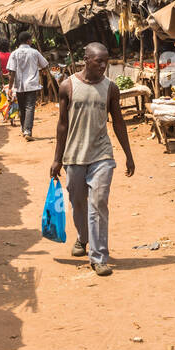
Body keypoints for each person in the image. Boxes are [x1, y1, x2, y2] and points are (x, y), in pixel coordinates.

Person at [50, 42, 136, 276]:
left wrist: (128, 154)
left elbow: (118, 121)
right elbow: (62, 124)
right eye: (99, 61)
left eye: (106, 61)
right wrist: (57, 159)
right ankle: (82, 237)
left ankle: (98, 257)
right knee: (78, 202)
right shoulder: (67, 86)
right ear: (86, 60)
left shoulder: (111, 88)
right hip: (74, 155)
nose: (104, 66)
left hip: (102, 155)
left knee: (98, 204)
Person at [7, 31, 49, 141]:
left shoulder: (14, 54)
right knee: (30, 107)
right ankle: (27, 130)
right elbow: (45, 64)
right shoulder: (34, 52)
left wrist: (10, 87)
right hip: (32, 84)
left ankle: (23, 128)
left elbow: (12, 72)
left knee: (22, 107)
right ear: (28, 41)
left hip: (19, 85)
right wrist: (44, 71)